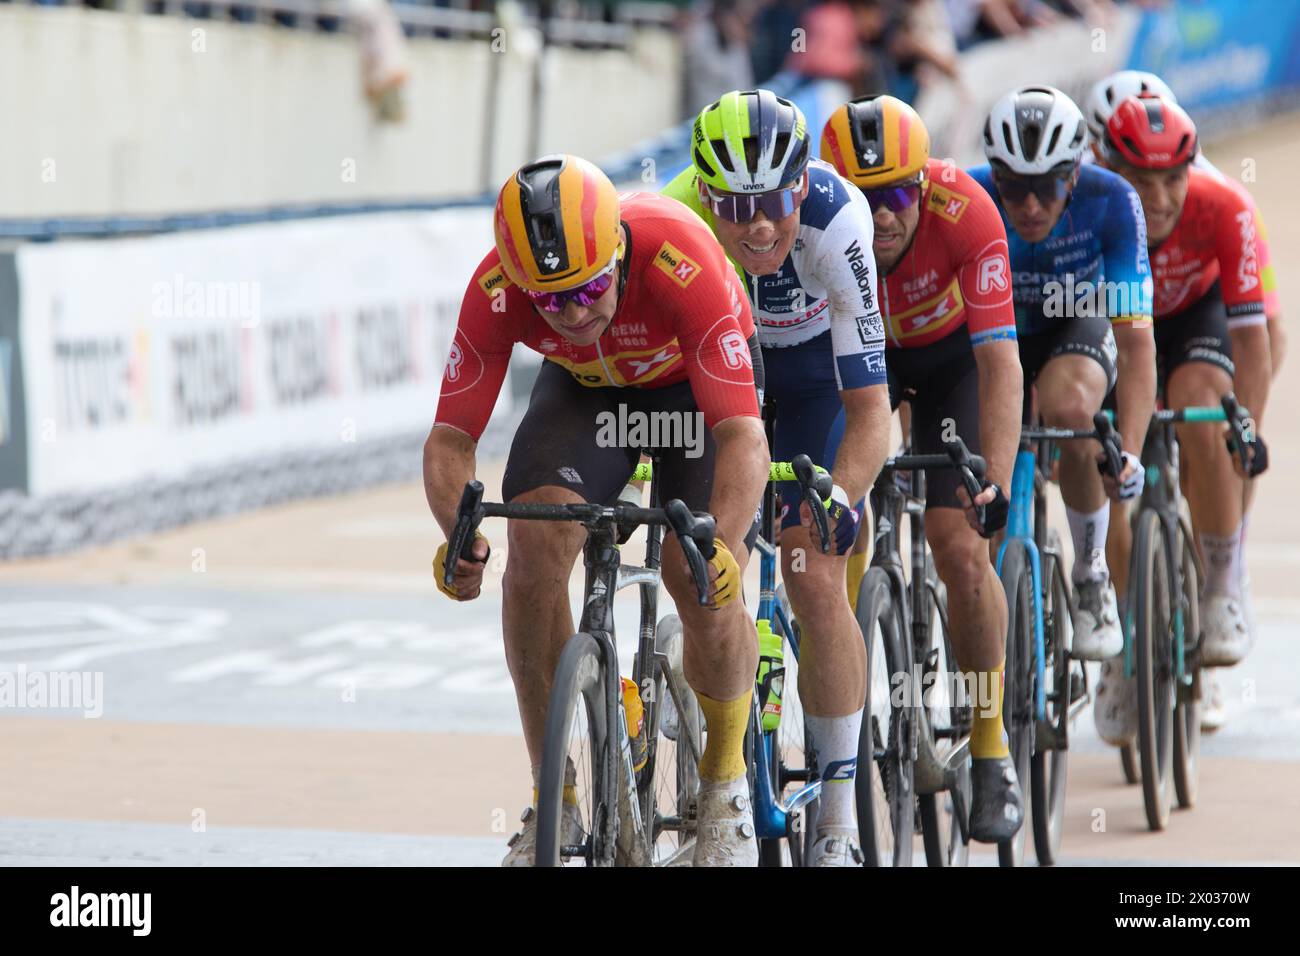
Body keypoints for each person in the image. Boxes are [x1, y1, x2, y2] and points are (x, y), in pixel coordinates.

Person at [428, 155, 771, 866]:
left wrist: (724, 545)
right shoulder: (496, 289)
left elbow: (742, 439)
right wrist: (456, 532)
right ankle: (553, 802)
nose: (577, 312)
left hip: (691, 396)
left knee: (695, 573)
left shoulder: (682, 261)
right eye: (552, 302)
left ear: (618, 251)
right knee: (533, 555)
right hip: (587, 393)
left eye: (589, 288)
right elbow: (450, 441)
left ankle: (724, 787)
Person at [661, 89, 893, 865]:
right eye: (735, 205)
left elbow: (869, 411)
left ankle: (837, 816)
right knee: (694, 562)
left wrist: (840, 498)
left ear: (802, 185)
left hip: (811, 385)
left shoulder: (838, 220)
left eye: (772, 202)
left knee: (814, 575)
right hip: (716, 388)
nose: (757, 224)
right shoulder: (676, 224)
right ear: (704, 193)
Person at [822, 94, 1026, 843]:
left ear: (924, 184)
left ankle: (991, 745)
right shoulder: (814, 226)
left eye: (897, 196)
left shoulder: (969, 210)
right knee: (831, 524)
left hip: (948, 370)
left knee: (959, 546)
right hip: (861, 369)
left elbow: (999, 364)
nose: (881, 217)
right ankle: (835, 693)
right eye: (863, 199)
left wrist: (992, 481)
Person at [1090, 94, 1271, 746]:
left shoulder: (1226, 205)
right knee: (1105, 465)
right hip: (1119, 327)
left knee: (1206, 413)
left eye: (1173, 178)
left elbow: (1255, 344)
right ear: (1108, 167)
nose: (1161, 197)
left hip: (1194, 319)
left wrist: (1240, 429)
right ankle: (1119, 641)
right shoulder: (1091, 207)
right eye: (1142, 180)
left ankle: (1221, 582)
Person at [970, 86, 1156, 664]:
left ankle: (1091, 572)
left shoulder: (1113, 198)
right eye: (1014, 187)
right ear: (994, 176)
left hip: (1074, 324)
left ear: (1075, 174)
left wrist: (1128, 451)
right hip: (993, 333)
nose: (1028, 205)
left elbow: (1136, 338)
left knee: (1072, 410)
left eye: (1046, 186)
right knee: (980, 463)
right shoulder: (968, 197)